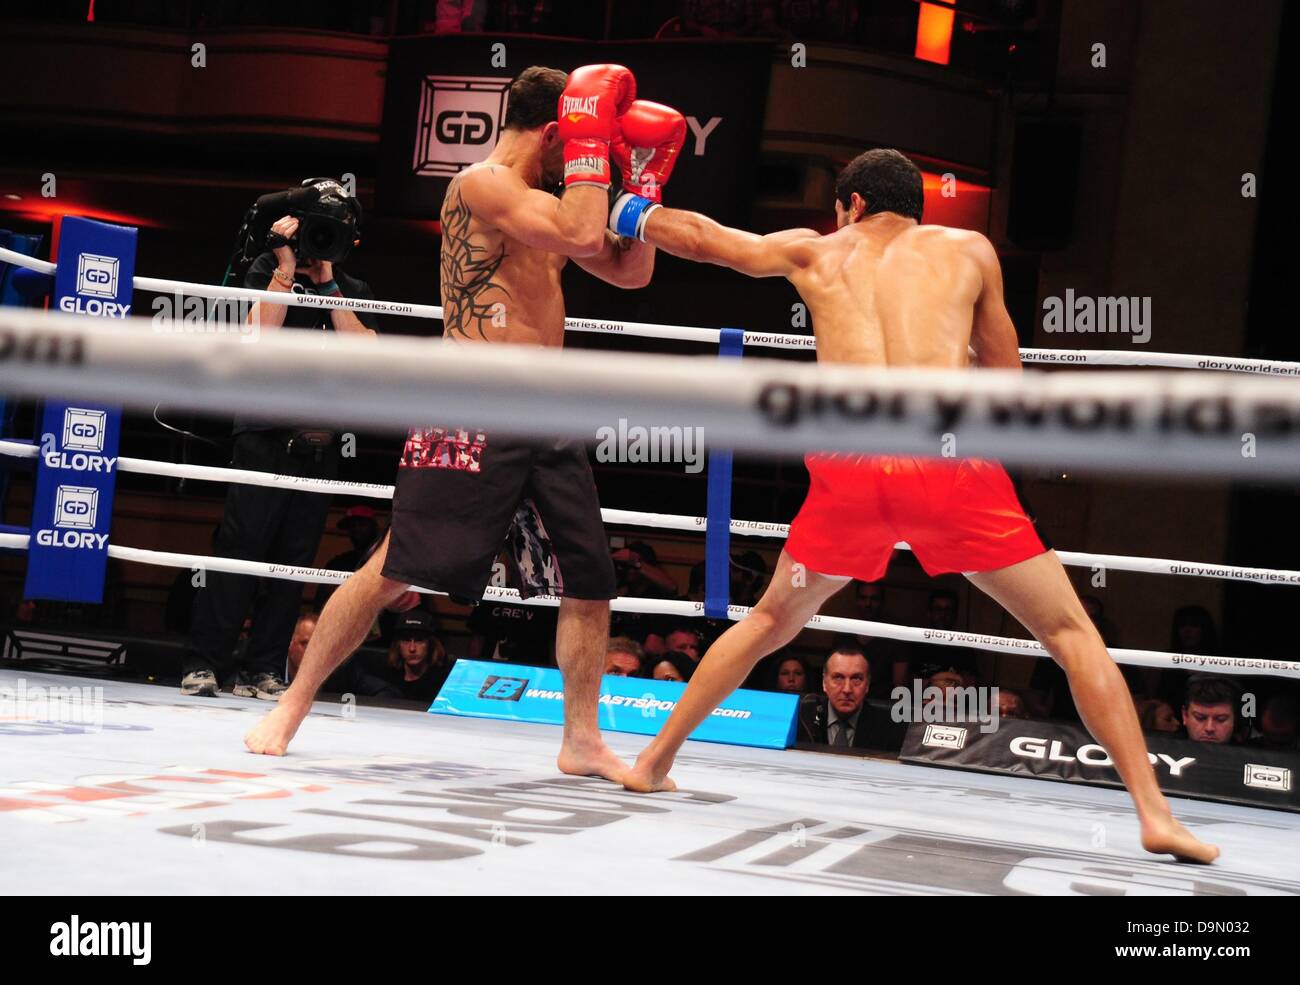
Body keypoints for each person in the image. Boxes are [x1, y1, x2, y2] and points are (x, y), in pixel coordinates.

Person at [620, 148, 1217, 862]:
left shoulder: (817, 250)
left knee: (773, 618)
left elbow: (705, 240)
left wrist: (623, 203)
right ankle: (1154, 813)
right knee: (1068, 632)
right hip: (946, 459)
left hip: (849, 468)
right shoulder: (969, 249)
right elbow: (1006, 380)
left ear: (854, 205)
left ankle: (653, 760)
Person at [245, 65, 683, 787]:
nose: (585, 159)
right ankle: (292, 705)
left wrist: (645, 184)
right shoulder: (482, 185)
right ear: (555, 133)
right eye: (575, 144)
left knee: (590, 578)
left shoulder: (547, 203)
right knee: (394, 569)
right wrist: (591, 152)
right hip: (473, 404)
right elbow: (580, 225)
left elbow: (630, 273)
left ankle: (580, 739)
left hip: (547, 410)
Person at [181, 179, 377, 700]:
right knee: (240, 553)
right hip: (263, 436)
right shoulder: (267, 273)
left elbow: (364, 351)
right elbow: (257, 339)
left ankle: (264, 668)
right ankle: (205, 663)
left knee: (293, 562)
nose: (320, 240)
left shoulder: (350, 290)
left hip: (318, 441)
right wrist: (286, 268)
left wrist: (328, 280)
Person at [795, 649, 902, 751]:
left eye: (856, 679)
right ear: (824, 683)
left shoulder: (888, 729)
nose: (847, 689)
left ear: (867, 684)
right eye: (838, 678)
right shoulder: (802, 720)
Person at [385, 610, 452, 703]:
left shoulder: (443, 684)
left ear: (431, 644)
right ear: (398, 644)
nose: (412, 648)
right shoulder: (388, 679)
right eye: (406, 640)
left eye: (419, 640)